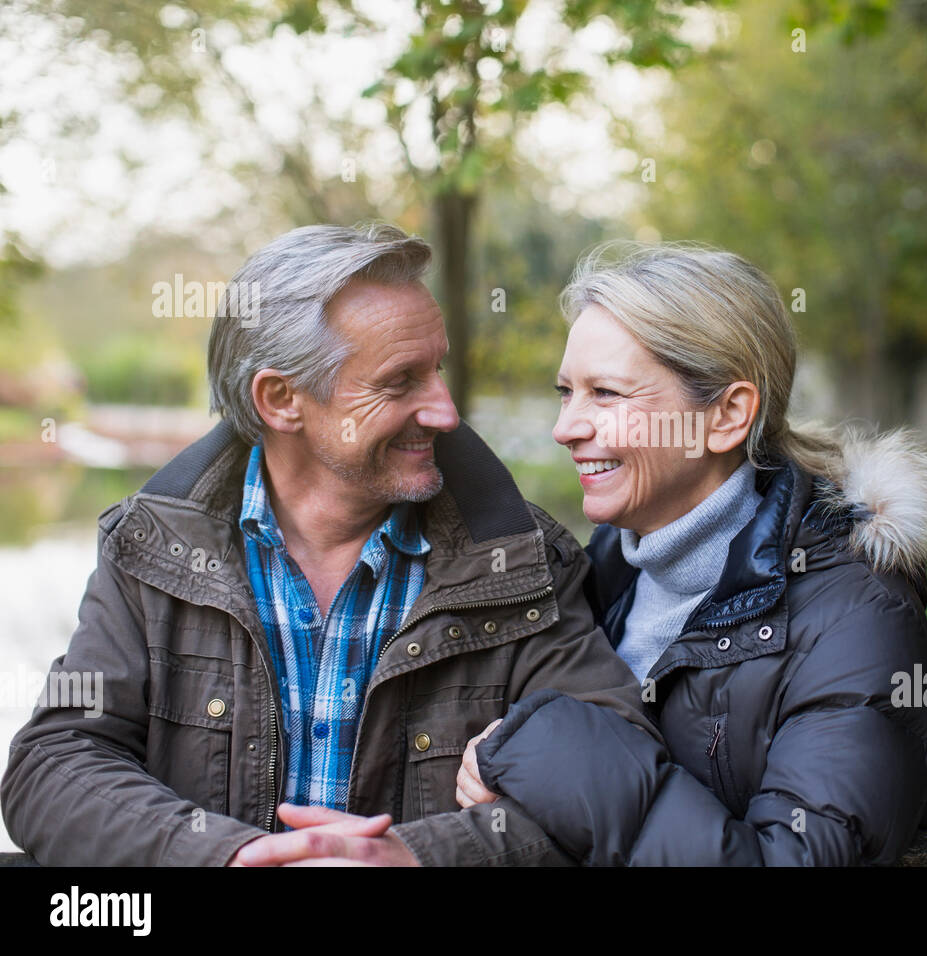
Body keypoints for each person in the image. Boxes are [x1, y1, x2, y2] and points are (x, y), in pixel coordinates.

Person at [1, 223, 658, 866]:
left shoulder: (523, 561)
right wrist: (230, 856)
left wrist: (416, 859)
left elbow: (616, 781)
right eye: (400, 381)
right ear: (282, 399)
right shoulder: (150, 548)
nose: (445, 411)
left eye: (437, 369)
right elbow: (52, 766)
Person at [456, 240, 927, 865]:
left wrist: (550, 755)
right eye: (566, 391)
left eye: (606, 394)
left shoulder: (858, 617)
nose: (567, 428)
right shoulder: (596, 576)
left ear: (725, 416)